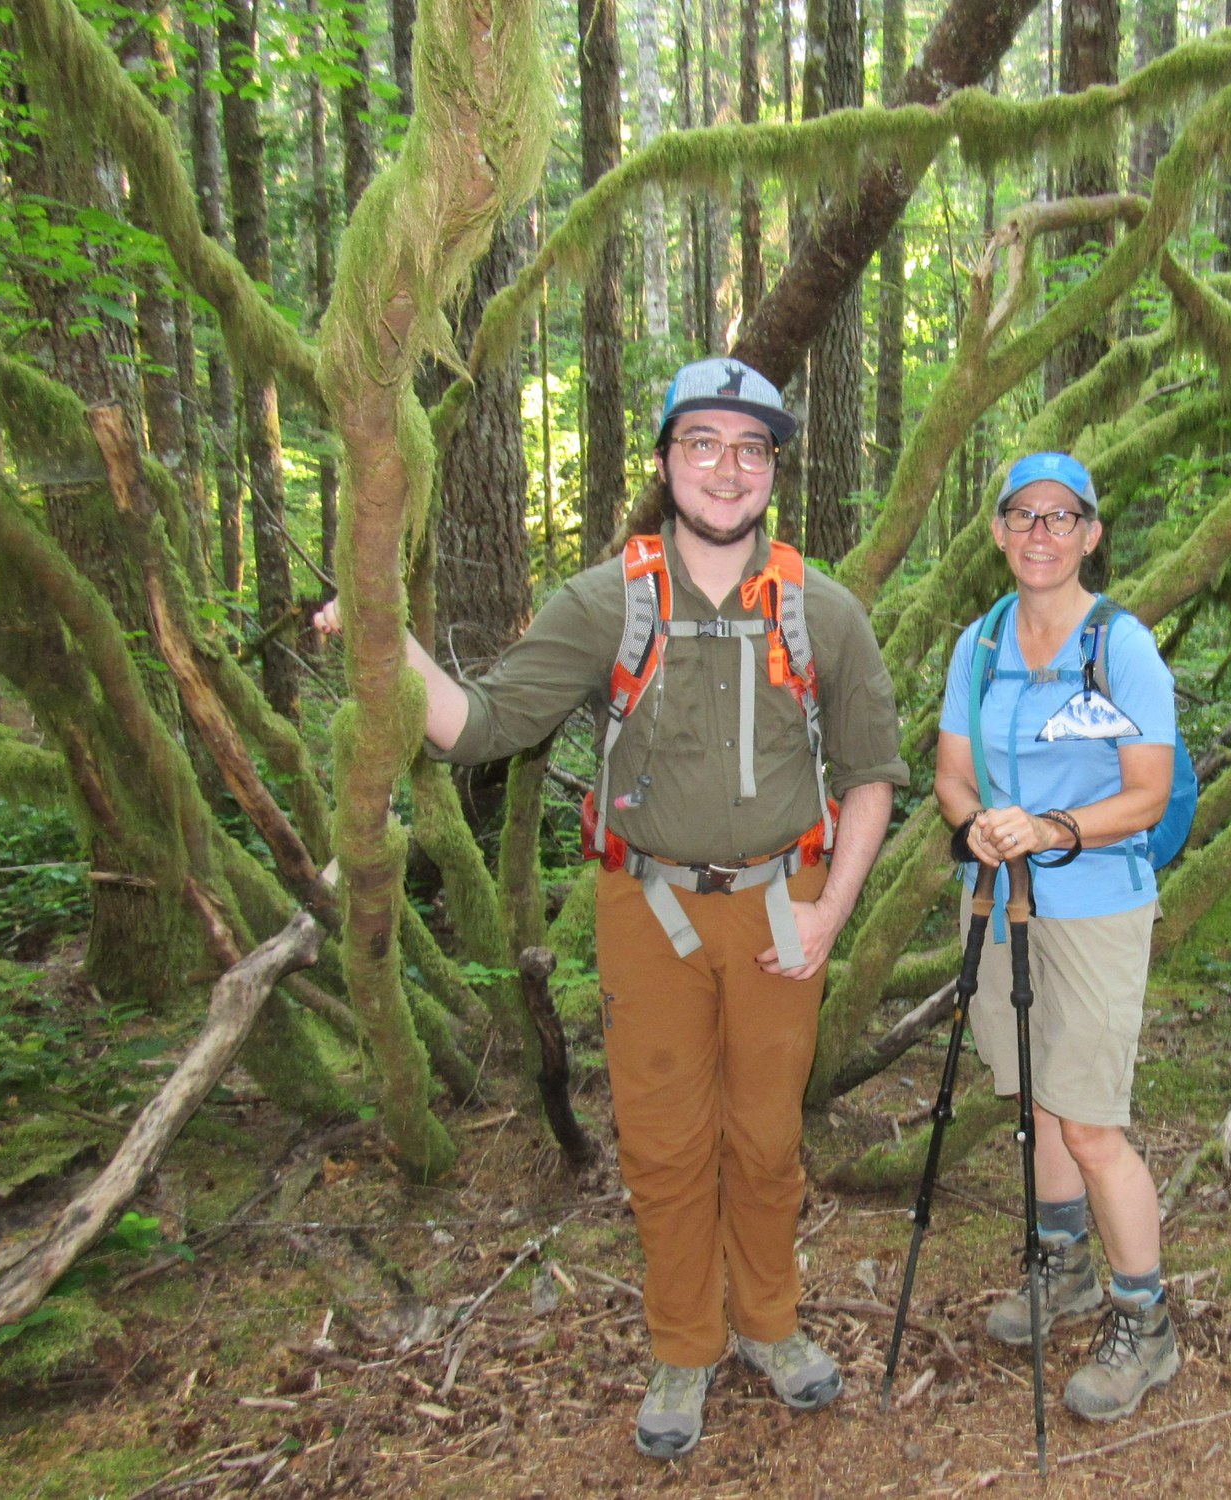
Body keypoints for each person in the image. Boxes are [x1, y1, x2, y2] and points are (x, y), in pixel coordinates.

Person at [317, 358, 908, 1459]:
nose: (725, 470)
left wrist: (830, 917)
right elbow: (478, 726)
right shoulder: (603, 603)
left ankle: (771, 1326)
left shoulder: (824, 611)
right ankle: (683, 1345)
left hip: (787, 903)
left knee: (767, 1137)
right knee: (664, 1140)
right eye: (702, 446)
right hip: (649, 912)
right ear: (667, 462)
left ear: (771, 470)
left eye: (748, 449)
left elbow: (871, 776)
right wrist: (385, 639)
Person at [932, 452, 1179, 1423]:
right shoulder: (980, 642)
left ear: (1089, 534)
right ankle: (1061, 1264)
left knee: (1089, 1122)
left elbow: (1147, 794)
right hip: (998, 899)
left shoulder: (1120, 646)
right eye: (1021, 516)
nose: (1039, 533)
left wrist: (1052, 830)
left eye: (1060, 516)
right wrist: (981, 827)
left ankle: (1142, 1320)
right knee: (1034, 1102)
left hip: (1093, 909)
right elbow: (953, 771)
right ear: (996, 532)